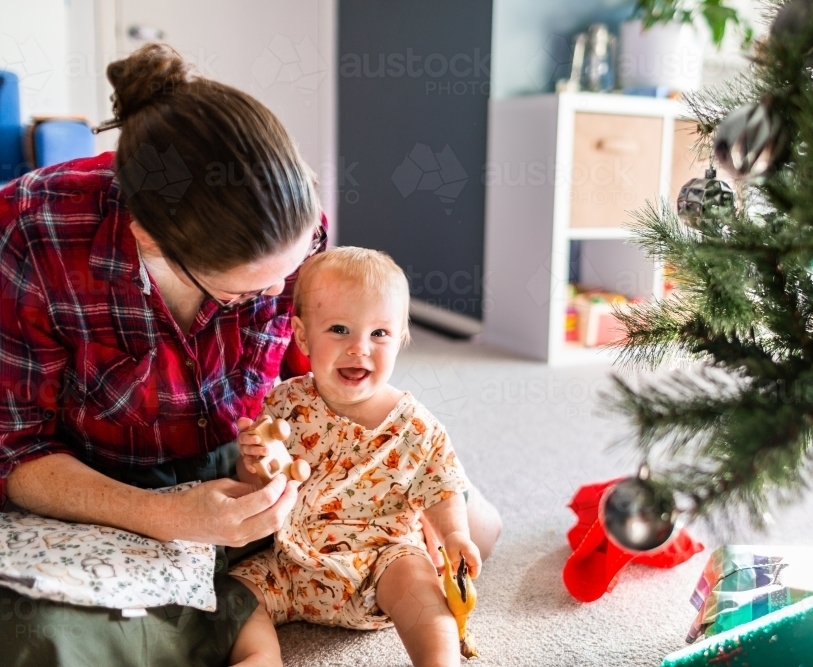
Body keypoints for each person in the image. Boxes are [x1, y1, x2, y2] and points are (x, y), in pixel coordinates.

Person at [0, 44, 501, 666]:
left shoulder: (293, 230)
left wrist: (349, 473)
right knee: (44, 638)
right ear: (150, 238)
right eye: (248, 292)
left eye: (288, 274)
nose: (276, 299)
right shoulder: (36, 230)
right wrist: (160, 514)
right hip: (103, 479)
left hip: (255, 474)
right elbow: (17, 451)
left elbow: (310, 373)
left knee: (476, 527)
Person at [229, 247, 480, 667]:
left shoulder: (416, 426)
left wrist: (455, 536)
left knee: (417, 580)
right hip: (292, 562)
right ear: (304, 336)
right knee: (235, 595)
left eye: (379, 334)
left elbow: (444, 486)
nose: (359, 349)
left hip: (382, 564)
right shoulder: (286, 404)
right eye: (340, 329)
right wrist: (255, 460)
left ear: (400, 338)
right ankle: (260, 657)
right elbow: (259, 484)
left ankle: (440, 661)